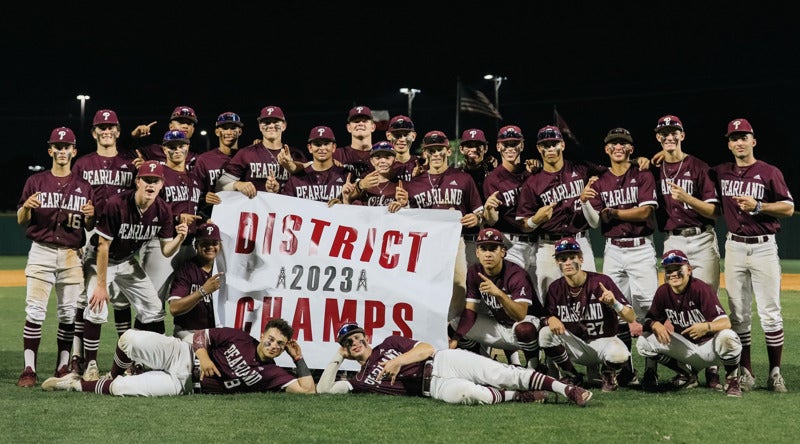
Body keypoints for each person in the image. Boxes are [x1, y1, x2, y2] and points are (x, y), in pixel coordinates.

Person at [80, 160, 189, 381]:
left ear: (161, 184)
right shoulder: (116, 204)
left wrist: (180, 237)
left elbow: (166, 250)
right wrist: (101, 286)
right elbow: (103, 246)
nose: (151, 185)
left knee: (154, 309)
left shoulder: (163, 209)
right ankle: (90, 364)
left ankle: (148, 362)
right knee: (96, 305)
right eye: (146, 180)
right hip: (100, 258)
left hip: (127, 260)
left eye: (155, 181)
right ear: (137, 181)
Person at [316, 322, 592, 406]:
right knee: (470, 395)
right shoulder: (360, 380)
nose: (355, 343)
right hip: (431, 390)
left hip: (441, 361)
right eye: (348, 342)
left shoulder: (389, 343)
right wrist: (337, 356)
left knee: (501, 373)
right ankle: (519, 396)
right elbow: (323, 390)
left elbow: (425, 348)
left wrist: (399, 360)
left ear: (366, 336)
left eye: (357, 337)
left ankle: (567, 389)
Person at [711, 118, 794, 393]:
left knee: (770, 312)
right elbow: (692, 170)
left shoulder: (769, 172)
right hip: (734, 247)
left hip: (763, 246)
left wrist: (759, 206)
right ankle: (746, 371)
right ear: (729, 144)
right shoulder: (721, 172)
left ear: (753, 141)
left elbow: (788, 208)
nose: (739, 142)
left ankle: (775, 372)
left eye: (743, 137)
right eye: (734, 138)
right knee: (739, 314)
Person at [42, 318, 316, 396]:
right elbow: (200, 337)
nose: (273, 345)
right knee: (129, 339)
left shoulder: (272, 373)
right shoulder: (240, 337)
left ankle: (74, 384)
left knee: (122, 388)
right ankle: (111, 373)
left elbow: (308, 390)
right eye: (271, 338)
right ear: (263, 334)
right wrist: (204, 357)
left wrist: (298, 358)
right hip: (181, 353)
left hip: (184, 385)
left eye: (279, 344)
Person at [16, 127, 95, 387]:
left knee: (68, 314)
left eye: (66, 147)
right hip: (42, 250)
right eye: (57, 147)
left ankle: (63, 365)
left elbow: (89, 223)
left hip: (72, 254)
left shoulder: (84, 186)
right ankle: (29, 369)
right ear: (50, 150)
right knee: (35, 311)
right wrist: (27, 207)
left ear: (74, 151)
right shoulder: (36, 181)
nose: (62, 151)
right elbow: (21, 219)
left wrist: (91, 216)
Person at [580, 127, 659, 385]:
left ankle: (651, 369)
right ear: (606, 149)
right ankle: (626, 368)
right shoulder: (599, 180)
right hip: (613, 249)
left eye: (623, 143)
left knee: (647, 307)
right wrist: (590, 204)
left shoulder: (642, 173)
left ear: (630, 149)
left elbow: (644, 212)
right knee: (614, 307)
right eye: (613, 143)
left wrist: (614, 213)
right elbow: (597, 219)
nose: (618, 147)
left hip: (640, 247)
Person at [651, 115, 724, 388]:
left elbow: (714, 211)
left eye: (674, 132)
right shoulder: (654, 168)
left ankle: (712, 366)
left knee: (708, 300)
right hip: (673, 240)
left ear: (682, 135)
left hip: (701, 238)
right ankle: (689, 365)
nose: (669, 136)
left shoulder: (699, 167)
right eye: (664, 133)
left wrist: (687, 198)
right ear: (658, 138)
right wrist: (644, 160)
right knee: (676, 303)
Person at [71, 109, 140, 374]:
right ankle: (79, 356)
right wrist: (79, 233)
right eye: (102, 127)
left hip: (123, 234)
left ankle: (126, 359)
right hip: (91, 232)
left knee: (122, 300)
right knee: (85, 299)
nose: (107, 130)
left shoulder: (130, 162)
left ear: (118, 132)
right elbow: (73, 199)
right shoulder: (83, 164)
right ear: (94, 133)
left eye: (111, 127)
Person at [404, 131, 485, 327]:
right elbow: (409, 220)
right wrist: (402, 204)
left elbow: (479, 212)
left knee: (459, 287)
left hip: (457, 242)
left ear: (448, 151)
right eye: (431, 150)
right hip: (427, 244)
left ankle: (454, 331)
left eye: (439, 149)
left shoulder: (463, 178)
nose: (436, 154)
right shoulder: (413, 184)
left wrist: (476, 218)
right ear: (425, 153)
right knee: (428, 287)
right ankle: (429, 328)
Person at [637, 250, 743, 396]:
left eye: (677, 269)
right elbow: (649, 320)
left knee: (728, 337)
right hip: (685, 350)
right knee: (644, 342)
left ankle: (732, 380)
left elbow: (725, 322)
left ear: (688, 270)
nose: (673, 274)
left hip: (710, 350)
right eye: (669, 270)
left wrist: (707, 327)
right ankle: (686, 374)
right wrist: (655, 324)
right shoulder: (663, 292)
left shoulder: (700, 289)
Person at [538, 237, 637, 392]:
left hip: (603, 342)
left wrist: (614, 304)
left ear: (581, 259)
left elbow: (631, 317)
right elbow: (544, 316)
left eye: (572, 257)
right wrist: (550, 319)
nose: (568, 263)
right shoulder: (556, 288)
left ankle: (608, 373)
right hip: (575, 345)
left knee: (620, 355)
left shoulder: (601, 282)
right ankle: (572, 375)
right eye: (563, 259)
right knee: (545, 334)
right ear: (557, 263)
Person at [449, 228, 545, 370]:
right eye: (484, 249)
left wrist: (499, 294)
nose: (488, 254)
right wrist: (456, 339)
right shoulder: (475, 272)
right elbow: (470, 312)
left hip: (526, 327)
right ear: (477, 252)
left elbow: (520, 315)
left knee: (524, 329)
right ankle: (482, 363)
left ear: (503, 252)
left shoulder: (516, 274)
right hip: (500, 326)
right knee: (456, 324)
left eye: (493, 249)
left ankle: (534, 365)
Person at [139, 130, 204, 305]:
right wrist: (176, 217)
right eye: (172, 146)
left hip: (189, 246)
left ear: (188, 147)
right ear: (164, 149)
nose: (177, 150)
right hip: (161, 244)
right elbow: (146, 207)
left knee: (186, 300)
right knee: (152, 303)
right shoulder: (157, 175)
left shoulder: (195, 178)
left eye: (181, 146)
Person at [216, 105, 306, 196]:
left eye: (276, 122)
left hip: (286, 205)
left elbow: (308, 185)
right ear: (260, 127)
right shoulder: (246, 153)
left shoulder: (296, 154)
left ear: (284, 126)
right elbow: (220, 186)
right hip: (254, 205)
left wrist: (281, 189)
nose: (271, 126)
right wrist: (237, 184)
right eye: (266, 122)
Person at [168, 222, 224, 343]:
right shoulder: (186, 270)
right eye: (205, 243)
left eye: (214, 243)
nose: (210, 247)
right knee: (199, 351)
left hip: (217, 333)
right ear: (196, 245)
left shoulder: (225, 270)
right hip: (189, 332)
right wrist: (202, 291)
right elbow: (174, 308)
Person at [193, 111, 244, 219]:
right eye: (224, 128)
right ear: (217, 132)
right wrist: (204, 199)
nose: (229, 132)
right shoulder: (204, 160)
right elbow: (194, 193)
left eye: (233, 128)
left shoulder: (247, 156)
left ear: (240, 131)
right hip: (213, 216)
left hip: (241, 216)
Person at [279, 126, 349, 203]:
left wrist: (346, 203)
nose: (322, 148)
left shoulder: (345, 176)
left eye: (326, 144)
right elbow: (284, 205)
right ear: (310, 148)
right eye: (318, 144)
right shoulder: (297, 179)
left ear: (334, 147)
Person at [345, 141, 408, 212]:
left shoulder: (402, 186)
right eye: (378, 157)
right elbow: (349, 207)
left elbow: (413, 213)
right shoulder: (363, 184)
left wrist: (404, 205)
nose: (383, 161)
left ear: (395, 159)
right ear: (372, 161)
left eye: (387, 157)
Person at [131, 105, 200, 168]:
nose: (185, 126)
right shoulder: (153, 151)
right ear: (170, 126)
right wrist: (132, 137)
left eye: (189, 124)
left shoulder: (199, 158)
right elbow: (125, 154)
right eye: (181, 122)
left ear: (193, 129)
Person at [333, 105, 376, 179]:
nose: (360, 124)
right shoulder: (337, 155)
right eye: (356, 121)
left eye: (364, 121)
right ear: (349, 128)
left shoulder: (382, 153)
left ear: (373, 127)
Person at [384, 115, 419, 182]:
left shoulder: (421, 164)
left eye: (406, 135)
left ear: (413, 136)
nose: (402, 139)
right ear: (388, 135)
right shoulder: (382, 165)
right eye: (397, 135)